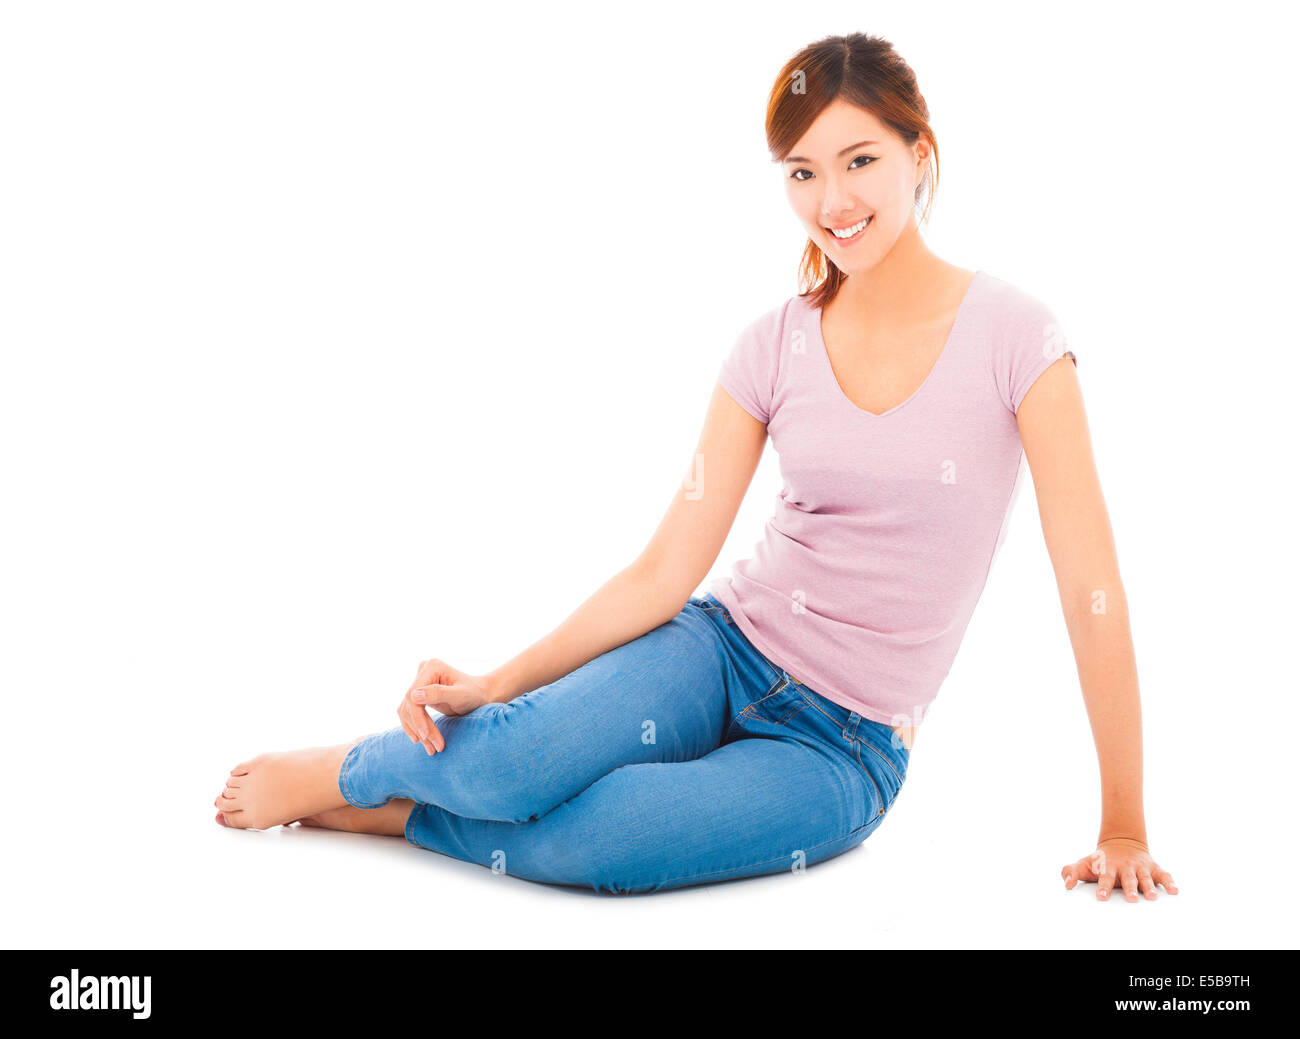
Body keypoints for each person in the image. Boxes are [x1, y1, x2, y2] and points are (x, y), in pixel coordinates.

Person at [212, 31, 1178, 901]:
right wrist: (499, 682)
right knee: (515, 763)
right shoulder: (772, 345)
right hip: (718, 649)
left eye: (859, 161)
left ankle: (406, 816)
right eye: (802, 173)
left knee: (610, 838)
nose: (832, 201)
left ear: (919, 156)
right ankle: (347, 769)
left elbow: (1091, 585)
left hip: (842, 745)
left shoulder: (1020, 339)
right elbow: (662, 570)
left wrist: (1123, 822)